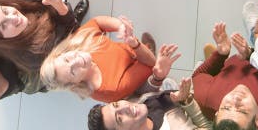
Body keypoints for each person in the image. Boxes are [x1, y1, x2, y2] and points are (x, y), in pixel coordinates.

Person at [0, 0, 89, 92]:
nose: (13, 17)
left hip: (57, 23)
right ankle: (75, 18)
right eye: (4, 25)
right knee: (74, 32)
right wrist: (62, 9)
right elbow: (67, 34)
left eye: (5, 11)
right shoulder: (33, 54)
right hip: (65, 38)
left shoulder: (17, 3)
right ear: (0, 39)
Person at [40, 16, 178, 102]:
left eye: (67, 60)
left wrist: (120, 26)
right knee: (154, 68)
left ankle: (142, 48)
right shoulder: (111, 89)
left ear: (63, 52)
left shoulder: (79, 41)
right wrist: (134, 44)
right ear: (75, 83)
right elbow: (150, 64)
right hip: (138, 72)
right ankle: (146, 48)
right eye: (73, 71)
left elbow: (97, 22)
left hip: (128, 54)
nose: (77, 61)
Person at [86, 77, 216, 130]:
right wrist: (187, 101)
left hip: (187, 92)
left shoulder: (132, 122)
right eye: (119, 118)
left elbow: (137, 92)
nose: (125, 106)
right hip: (213, 109)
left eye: (115, 105)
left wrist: (156, 78)